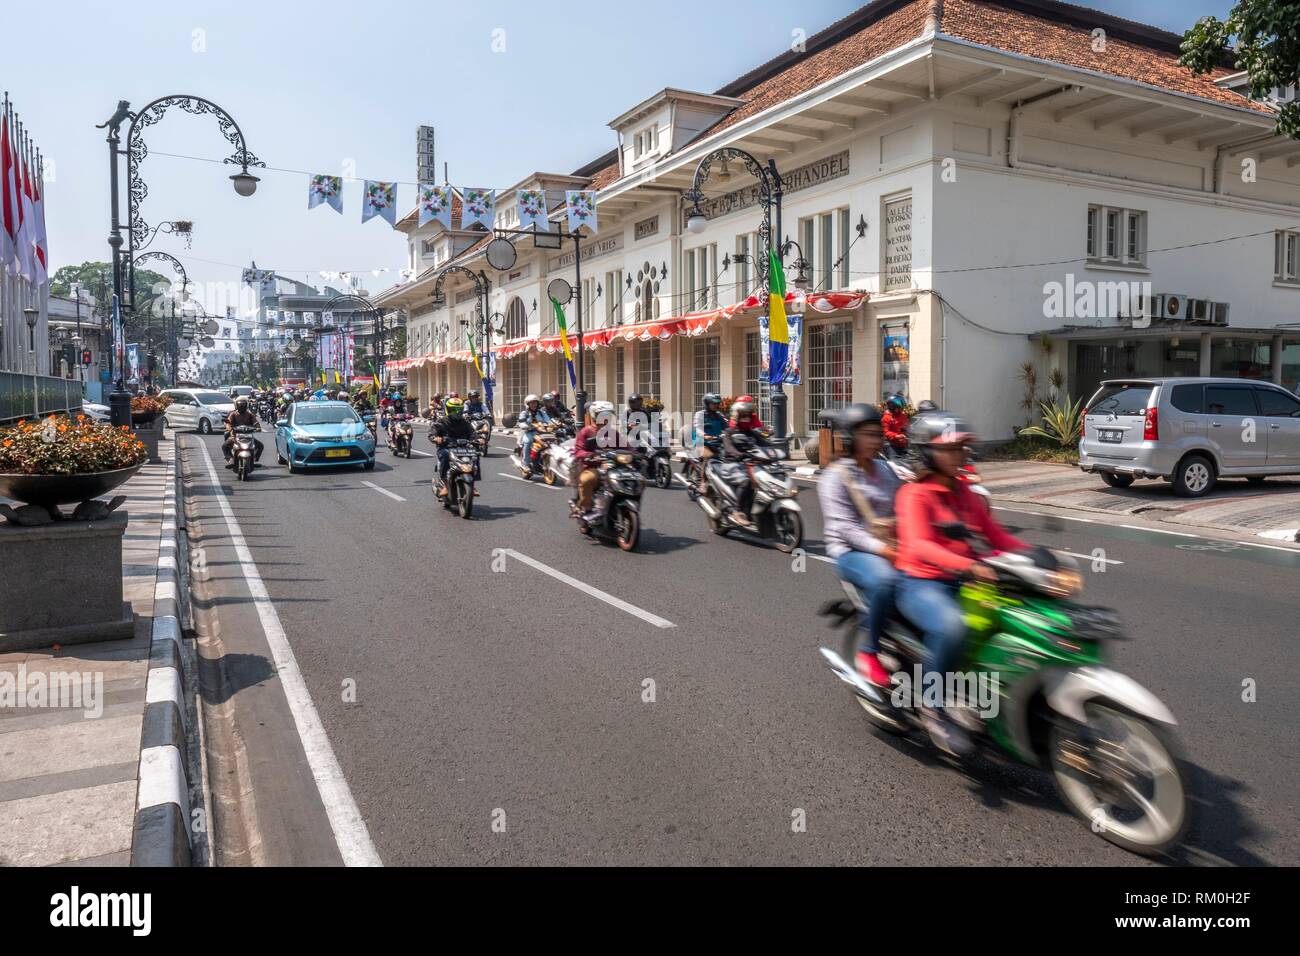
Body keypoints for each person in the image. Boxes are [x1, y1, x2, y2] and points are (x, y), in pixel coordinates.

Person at [894, 410, 1027, 756]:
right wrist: (969, 565)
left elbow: (996, 535)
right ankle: (932, 706)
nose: (959, 456)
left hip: (964, 580)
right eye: (950, 450)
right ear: (927, 452)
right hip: (921, 584)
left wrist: (1040, 558)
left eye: (961, 450)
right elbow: (921, 545)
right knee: (953, 626)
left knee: (1013, 620)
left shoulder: (966, 493)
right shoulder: (914, 495)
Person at [818, 404, 902, 687]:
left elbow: (902, 504)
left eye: (879, 434)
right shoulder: (835, 476)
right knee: (885, 579)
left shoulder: (885, 469)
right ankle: (870, 652)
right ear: (850, 437)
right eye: (868, 434)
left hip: (891, 544)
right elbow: (845, 528)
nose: (876, 440)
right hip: (851, 552)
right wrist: (884, 550)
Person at [719, 395, 769, 527]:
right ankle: (737, 511)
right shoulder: (729, 432)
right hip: (731, 464)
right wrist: (739, 454)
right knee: (746, 481)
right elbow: (729, 449)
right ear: (737, 415)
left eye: (748, 414)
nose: (746, 417)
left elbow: (764, 443)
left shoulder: (751, 432)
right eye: (743, 415)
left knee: (764, 480)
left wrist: (775, 452)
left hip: (748, 463)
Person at [572, 400, 619, 519]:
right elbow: (578, 451)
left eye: (608, 416)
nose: (606, 419)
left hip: (612, 466)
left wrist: (636, 455)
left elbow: (626, 446)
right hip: (592, 466)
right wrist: (589, 455)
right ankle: (586, 508)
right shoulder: (586, 432)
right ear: (595, 416)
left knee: (638, 479)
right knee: (588, 479)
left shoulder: (613, 433)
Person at [430, 397, 477, 503]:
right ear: (448, 409)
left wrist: (478, 438)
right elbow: (433, 432)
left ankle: (472, 485)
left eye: (459, 410)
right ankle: (445, 485)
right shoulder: (442, 421)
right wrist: (436, 437)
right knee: (445, 456)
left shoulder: (464, 422)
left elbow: (472, 433)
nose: (456, 412)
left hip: (462, 448)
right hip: (446, 447)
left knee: (475, 455)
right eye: (453, 410)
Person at [691, 392, 727, 493]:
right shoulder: (700, 414)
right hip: (701, 442)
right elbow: (698, 428)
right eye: (713, 403)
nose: (716, 405)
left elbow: (728, 427)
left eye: (717, 403)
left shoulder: (719, 415)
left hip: (717, 442)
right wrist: (705, 435)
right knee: (710, 457)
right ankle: (703, 482)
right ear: (707, 403)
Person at [221, 396, 263, 469]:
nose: (242, 406)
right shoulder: (233, 414)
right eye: (240, 404)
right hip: (235, 435)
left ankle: (254, 459)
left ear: (246, 405)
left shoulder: (250, 414)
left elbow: (256, 423)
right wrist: (230, 429)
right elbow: (228, 423)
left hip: (248, 435)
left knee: (260, 446)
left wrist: (258, 428)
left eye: (243, 404)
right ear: (236, 404)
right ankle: (230, 459)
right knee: (224, 446)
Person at [516, 394, 551, 467]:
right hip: (529, 432)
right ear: (528, 404)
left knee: (550, 442)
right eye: (531, 403)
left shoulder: (541, 412)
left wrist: (553, 424)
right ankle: (525, 463)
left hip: (541, 433)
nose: (533, 405)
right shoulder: (524, 413)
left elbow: (548, 420)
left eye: (535, 403)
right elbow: (521, 423)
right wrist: (526, 426)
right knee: (528, 442)